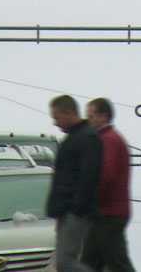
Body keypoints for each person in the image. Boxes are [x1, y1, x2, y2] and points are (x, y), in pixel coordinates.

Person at [47, 95, 102, 272]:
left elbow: (89, 176)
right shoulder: (73, 138)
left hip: (75, 211)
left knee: (65, 262)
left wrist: (77, 208)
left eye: (57, 117)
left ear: (69, 112)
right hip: (66, 210)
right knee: (64, 263)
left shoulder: (87, 138)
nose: (55, 123)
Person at [82, 98, 136, 272]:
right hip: (106, 212)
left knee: (116, 263)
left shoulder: (108, 140)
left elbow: (106, 175)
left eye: (91, 116)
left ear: (103, 116)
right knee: (91, 262)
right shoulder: (109, 138)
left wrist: (90, 199)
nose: (88, 121)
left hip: (108, 213)